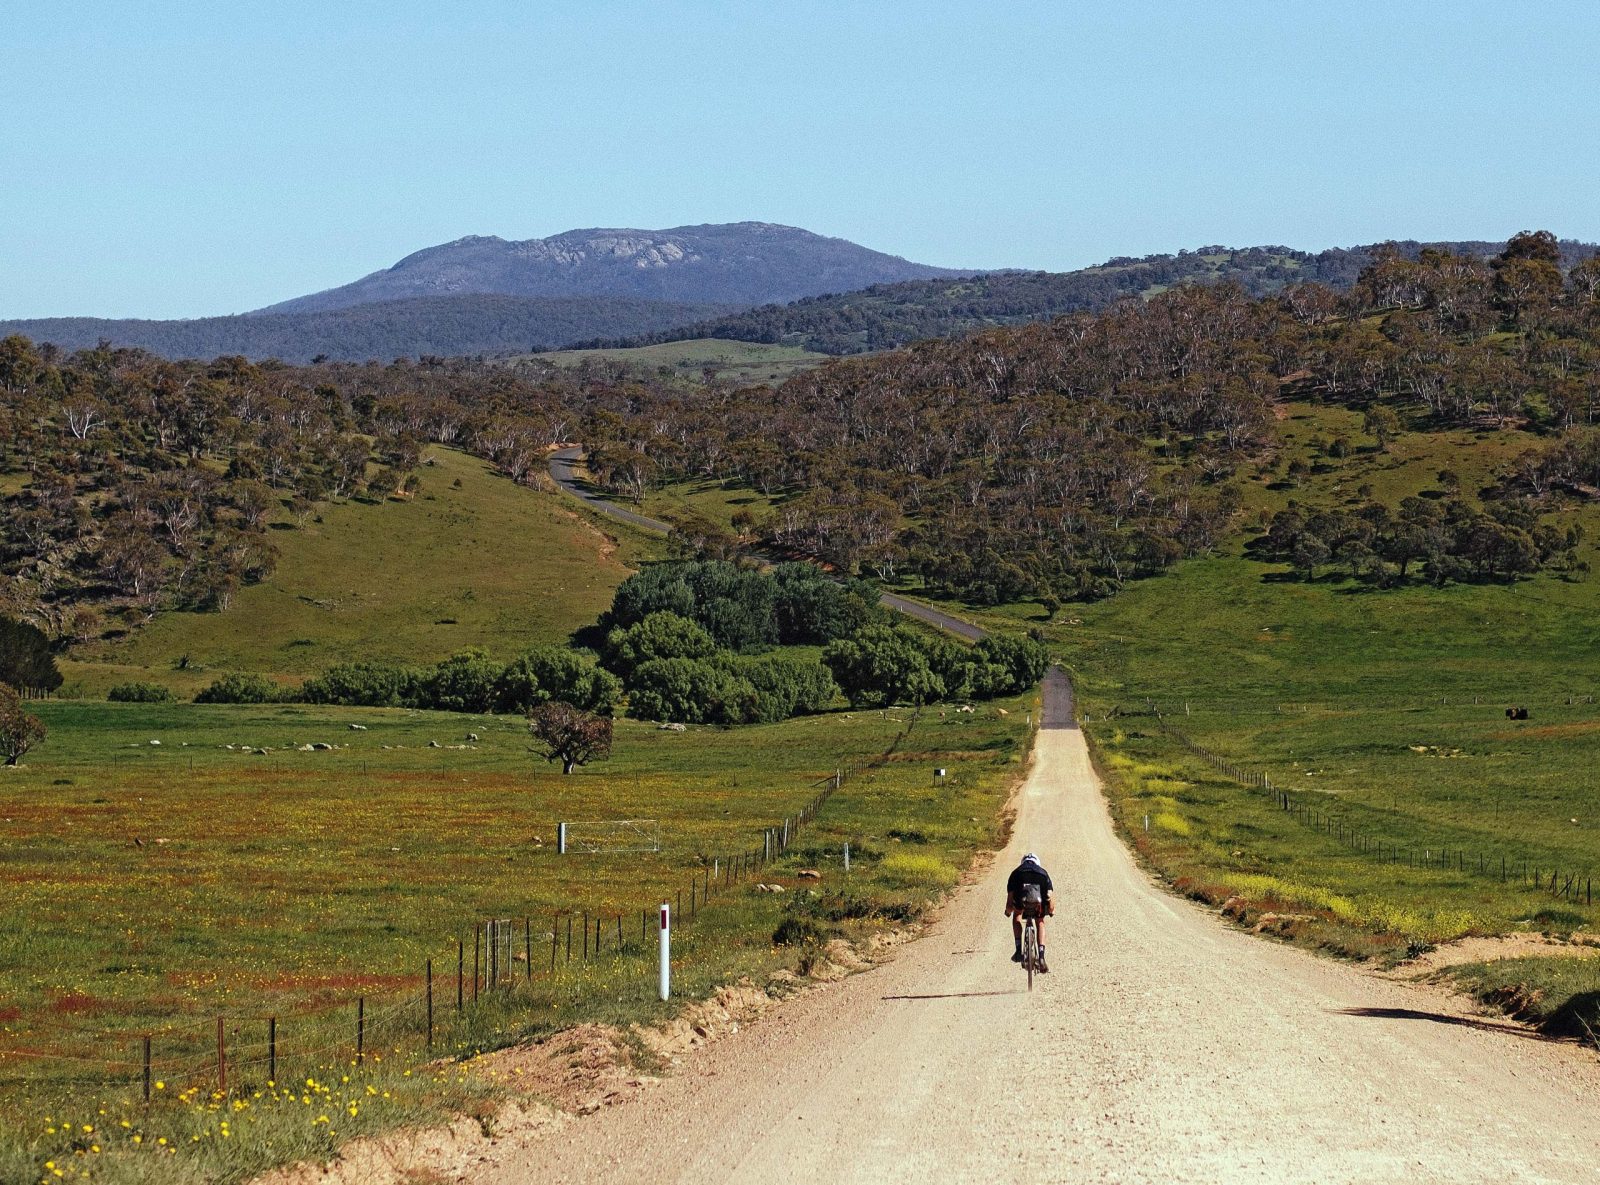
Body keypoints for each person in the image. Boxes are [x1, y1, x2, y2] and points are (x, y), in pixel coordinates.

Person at [1005, 852, 1053, 972]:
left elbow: (1010, 901)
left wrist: (1008, 912)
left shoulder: (1015, 873)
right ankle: (1041, 957)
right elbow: (1049, 896)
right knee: (1040, 922)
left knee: (1017, 916)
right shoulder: (1043, 872)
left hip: (1021, 898)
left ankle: (1018, 950)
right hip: (1038, 901)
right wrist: (1051, 911)